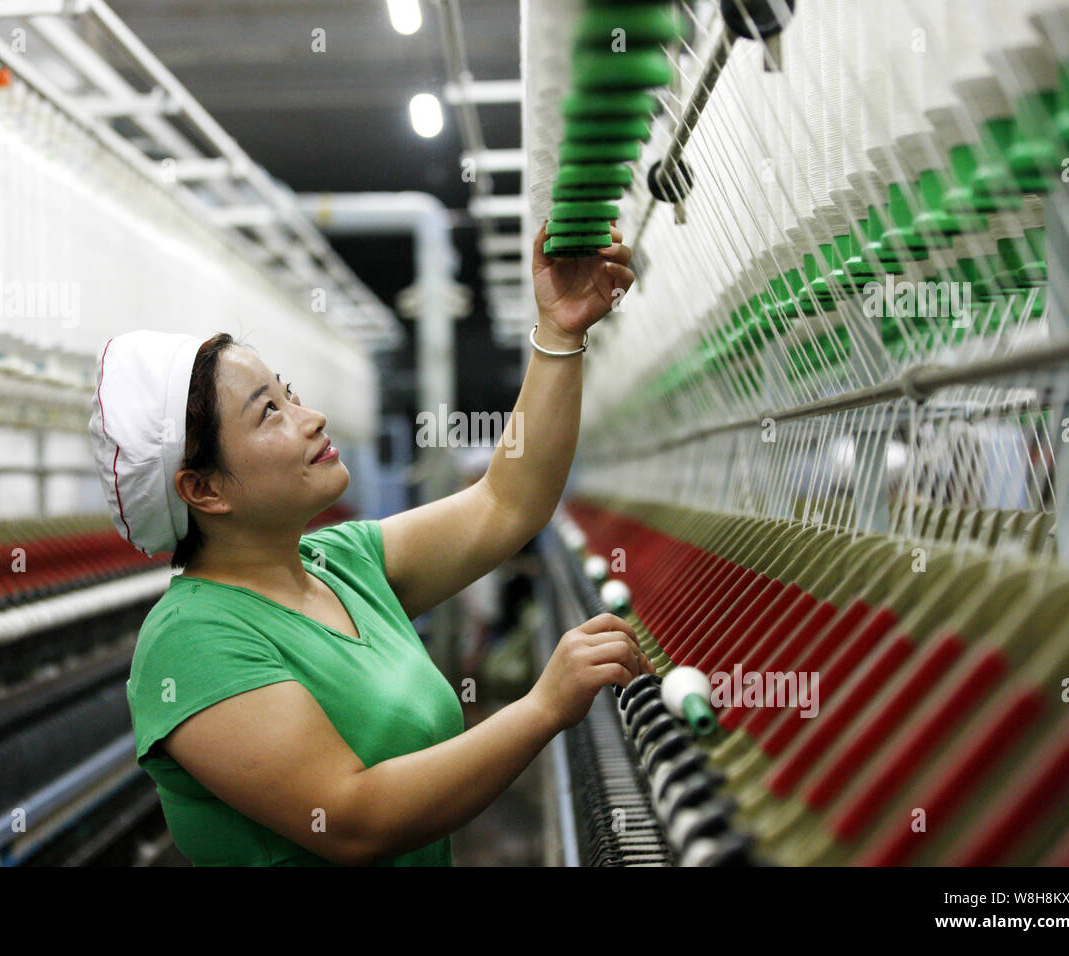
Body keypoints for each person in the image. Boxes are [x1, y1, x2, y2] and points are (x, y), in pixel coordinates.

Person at [88, 220, 649, 866]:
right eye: (269, 411)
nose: (312, 416)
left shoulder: (341, 562)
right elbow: (354, 820)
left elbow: (507, 503)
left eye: (289, 392)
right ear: (205, 490)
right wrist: (543, 708)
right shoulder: (192, 642)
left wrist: (560, 331)